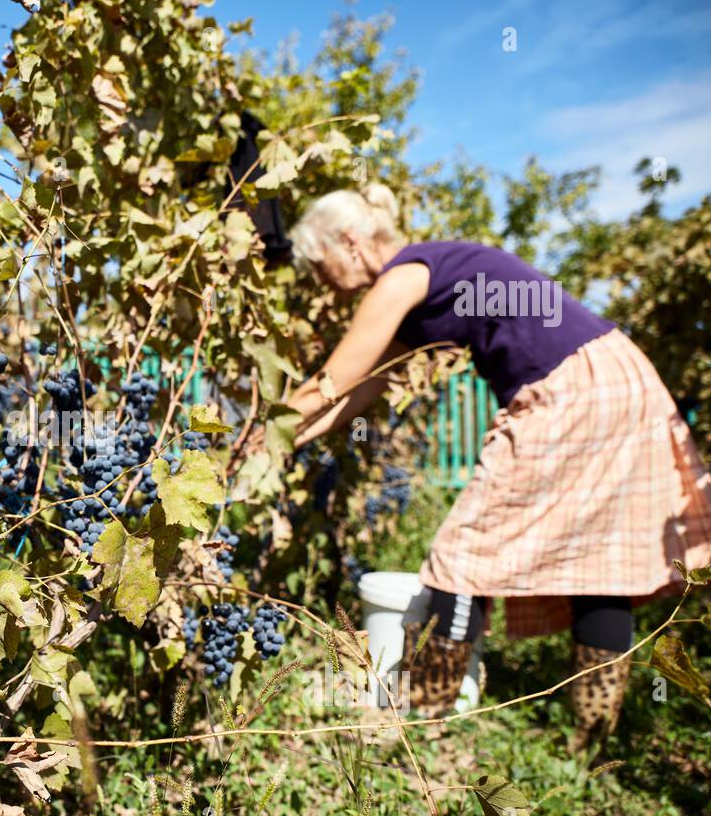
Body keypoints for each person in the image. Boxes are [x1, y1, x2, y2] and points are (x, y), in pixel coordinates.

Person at [284, 184, 711, 748]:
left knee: (465, 551)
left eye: (319, 265)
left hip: (571, 388)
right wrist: (285, 441)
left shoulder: (402, 275)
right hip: (615, 371)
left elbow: (330, 384)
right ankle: (594, 742)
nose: (320, 280)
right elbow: (358, 393)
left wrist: (254, 434)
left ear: (351, 242)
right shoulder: (421, 277)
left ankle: (424, 716)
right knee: (600, 560)